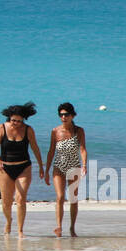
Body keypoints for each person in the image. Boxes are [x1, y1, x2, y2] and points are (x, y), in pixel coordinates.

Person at [0, 102, 44, 237]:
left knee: (20, 199)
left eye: (19, 121)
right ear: (9, 117)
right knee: (6, 201)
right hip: (4, 168)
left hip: (23, 167)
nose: (16, 123)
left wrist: (41, 166)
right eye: (13, 120)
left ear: (24, 120)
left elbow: (35, 148)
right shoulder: (1, 128)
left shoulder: (28, 130)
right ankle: (8, 221)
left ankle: (20, 230)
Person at [45, 102, 87, 237]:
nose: (63, 117)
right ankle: (59, 227)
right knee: (60, 196)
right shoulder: (55, 131)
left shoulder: (79, 131)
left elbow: (83, 149)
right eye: (61, 115)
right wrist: (46, 171)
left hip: (74, 166)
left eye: (66, 115)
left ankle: (72, 228)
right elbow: (51, 151)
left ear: (72, 115)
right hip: (59, 166)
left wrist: (84, 165)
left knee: (73, 198)